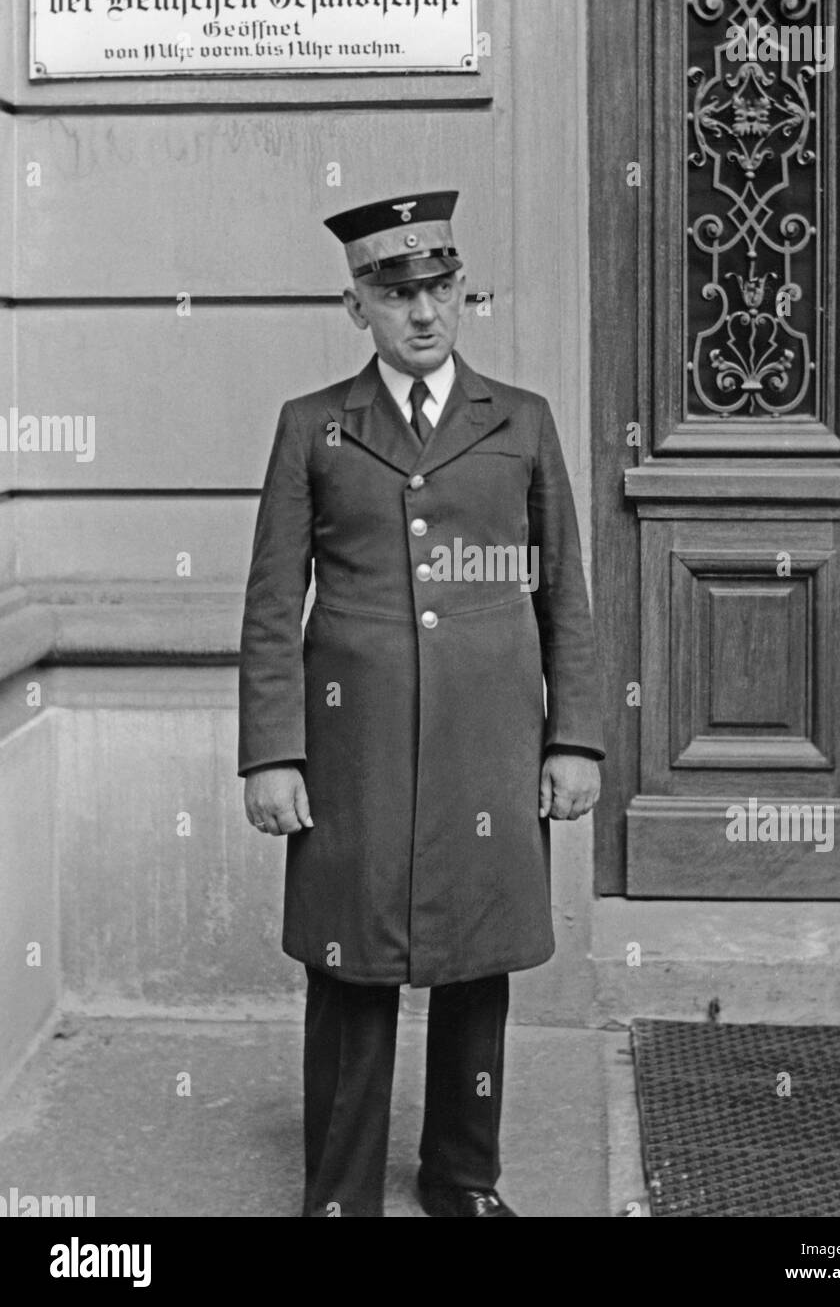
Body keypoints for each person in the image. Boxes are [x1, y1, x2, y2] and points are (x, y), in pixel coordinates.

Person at [238, 190, 604, 1218]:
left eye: (439, 288)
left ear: (460, 293)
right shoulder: (313, 428)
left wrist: (573, 735)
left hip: (487, 743)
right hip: (353, 749)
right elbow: (273, 601)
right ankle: (341, 1193)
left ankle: (462, 1177)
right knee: (350, 969)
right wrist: (273, 753)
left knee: (474, 962)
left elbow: (562, 590)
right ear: (356, 305)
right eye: (395, 294)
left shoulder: (520, 422)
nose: (423, 313)